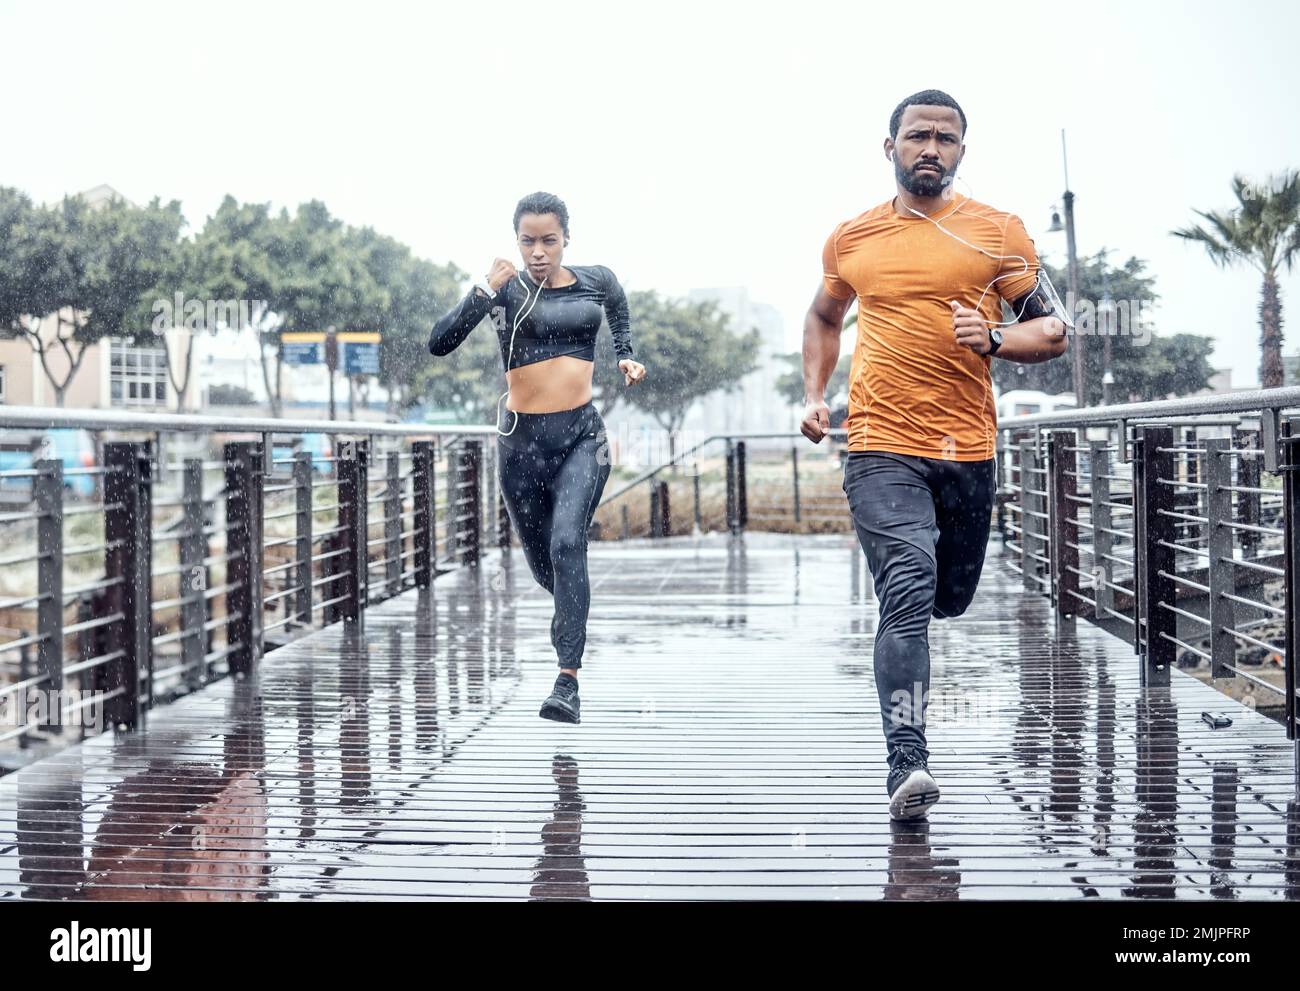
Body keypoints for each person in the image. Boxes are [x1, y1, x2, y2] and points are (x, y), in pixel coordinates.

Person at [800, 90, 1069, 819]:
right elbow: (825, 316)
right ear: (887, 147)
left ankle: (910, 728)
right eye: (917, 135)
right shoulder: (852, 238)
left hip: (968, 451)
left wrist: (994, 339)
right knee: (909, 586)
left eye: (945, 138)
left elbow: (1053, 331)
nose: (931, 148)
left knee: (948, 594)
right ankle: (906, 762)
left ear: (961, 151)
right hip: (881, 442)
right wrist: (815, 393)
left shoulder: (1000, 233)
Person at [429, 191, 646, 723]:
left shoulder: (598, 279)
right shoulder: (505, 291)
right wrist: (482, 290)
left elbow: (618, 313)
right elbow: (439, 342)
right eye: (528, 241)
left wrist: (625, 353)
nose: (539, 251)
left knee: (569, 542)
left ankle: (567, 679)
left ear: (566, 238)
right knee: (547, 566)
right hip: (520, 446)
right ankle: (573, 606)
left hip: (581, 439)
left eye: (549, 240)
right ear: (517, 242)